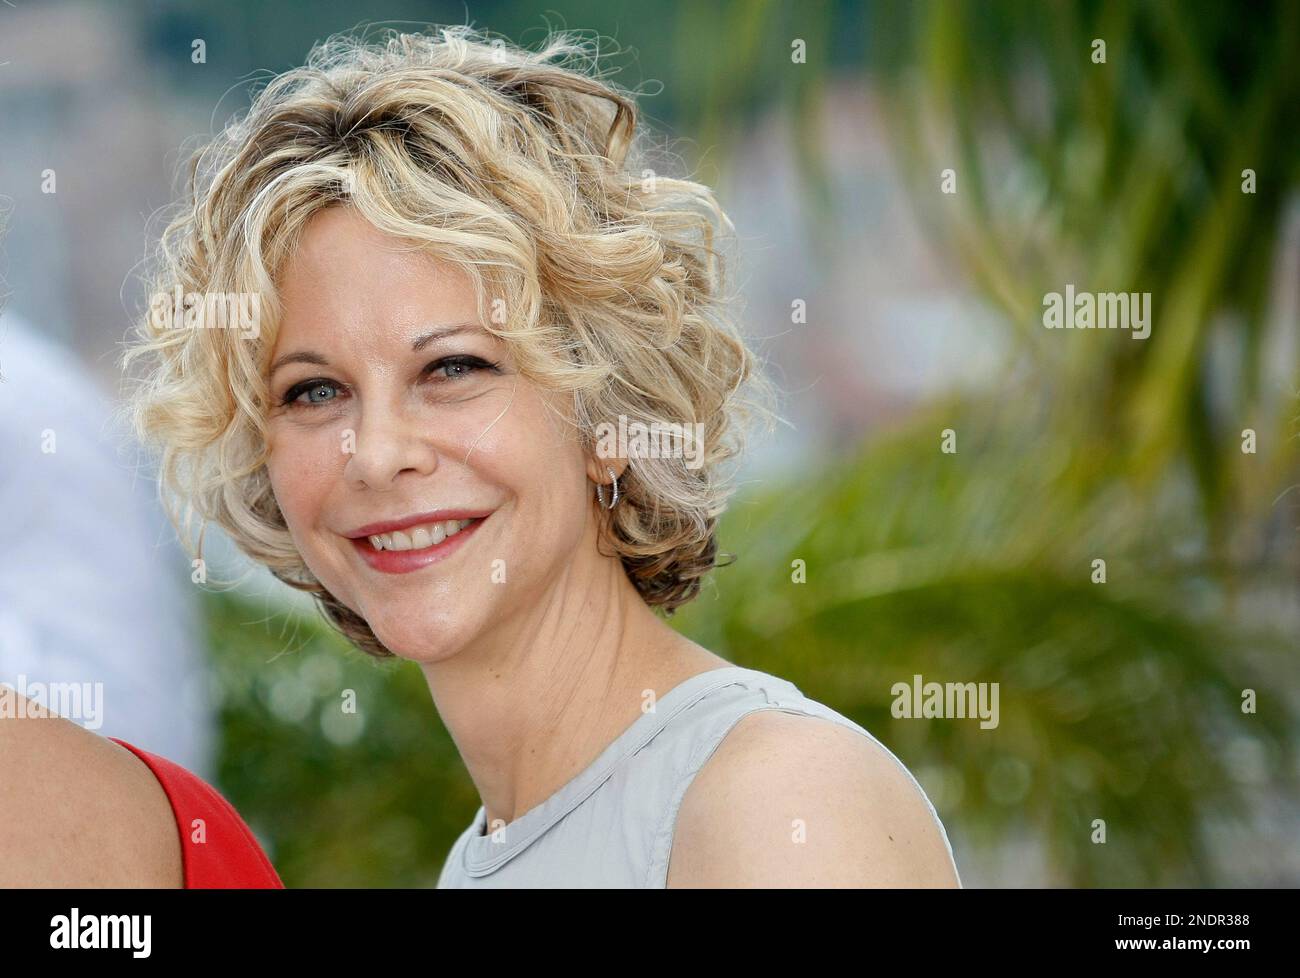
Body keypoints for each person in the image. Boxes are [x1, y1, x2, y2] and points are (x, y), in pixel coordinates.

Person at [113, 24, 959, 888]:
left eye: (452, 368)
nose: (375, 456)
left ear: (607, 414)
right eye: (313, 391)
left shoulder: (775, 803)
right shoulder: (487, 857)